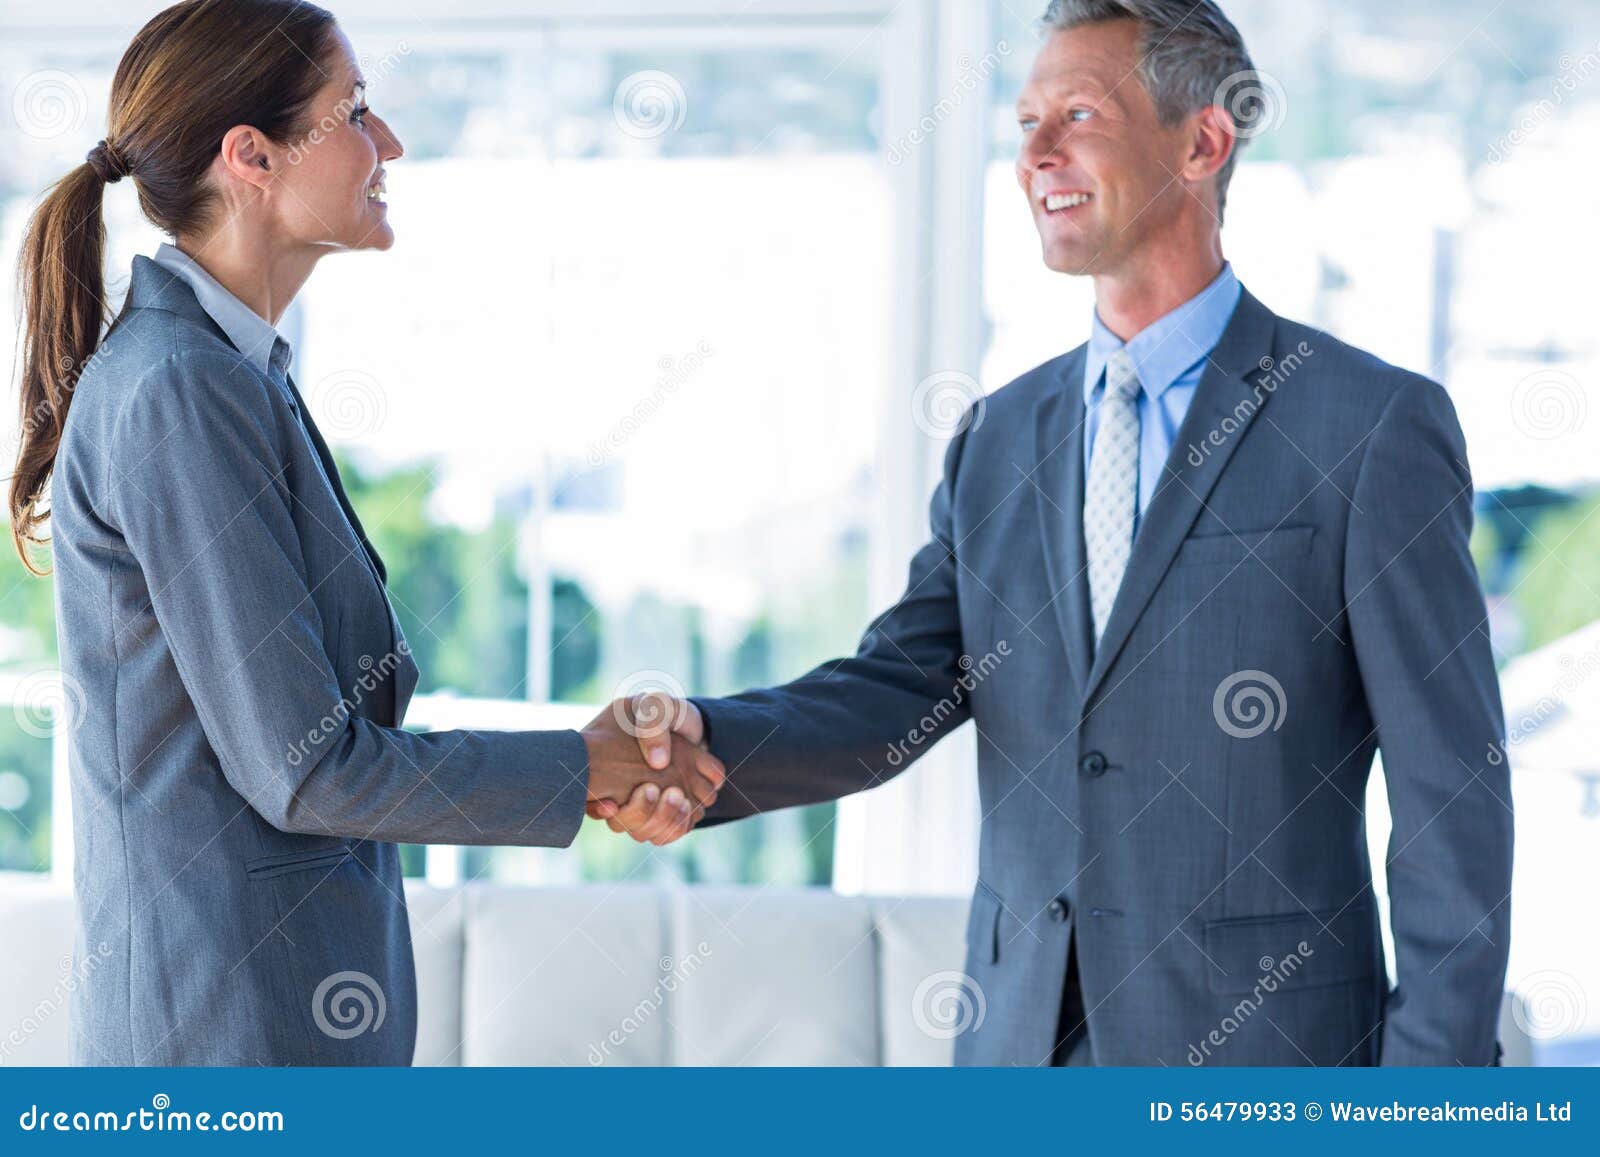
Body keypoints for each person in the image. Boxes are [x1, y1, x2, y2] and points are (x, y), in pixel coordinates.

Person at [610, 0, 1513, 1067]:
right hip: (1016, 1044)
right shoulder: (998, 435)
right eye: (1025, 118)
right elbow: (894, 689)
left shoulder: (1366, 427)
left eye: (1076, 113)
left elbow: (1451, 794)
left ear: (1202, 139)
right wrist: (699, 744)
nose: (1034, 153)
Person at [7, 0, 709, 1066]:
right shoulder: (180, 388)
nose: (388, 144)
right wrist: (582, 763)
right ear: (251, 156)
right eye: (356, 112)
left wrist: (590, 761)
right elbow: (306, 768)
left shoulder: (235, 375)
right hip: (222, 1037)